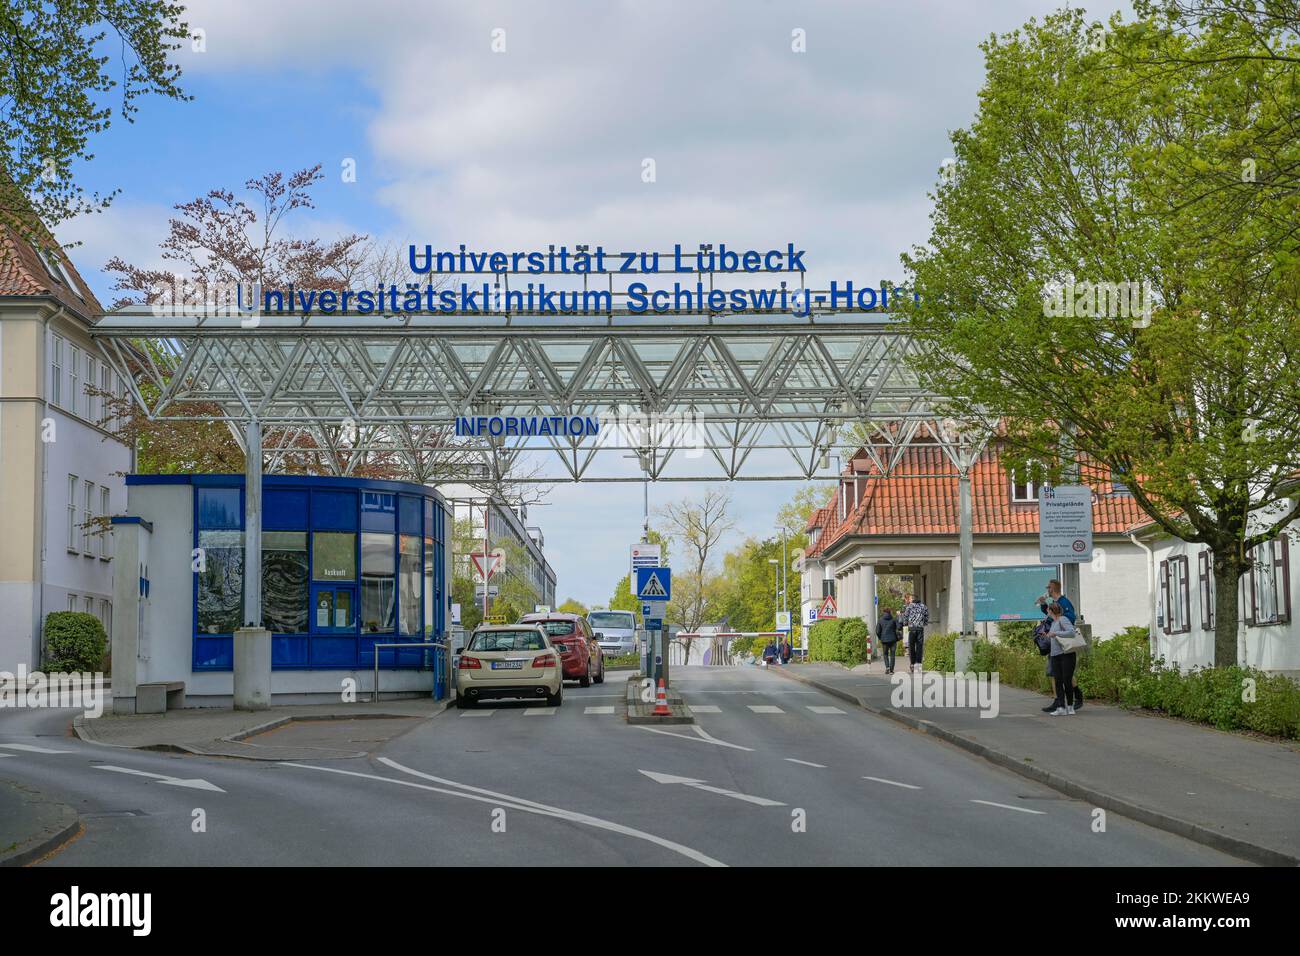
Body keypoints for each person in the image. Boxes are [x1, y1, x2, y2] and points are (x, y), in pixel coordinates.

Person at [1035, 579, 1082, 710]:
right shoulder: (1055, 603)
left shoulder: (1064, 602)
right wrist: (1044, 605)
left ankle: (1065, 700)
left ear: (1053, 588)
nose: (1047, 590)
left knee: (1060, 673)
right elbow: (1051, 615)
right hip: (1055, 642)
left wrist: (1056, 629)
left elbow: (1070, 619)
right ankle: (1067, 699)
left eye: (1048, 587)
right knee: (1059, 673)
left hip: (1062, 642)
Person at [1044, 603, 1079, 715]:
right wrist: (1047, 636)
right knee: (1058, 681)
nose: (1047, 613)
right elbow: (1055, 638)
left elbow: (1071, 632)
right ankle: (1061, 708)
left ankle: (1070, 706)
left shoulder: (1062, 619)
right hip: (1055, 655)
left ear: (1051, 611)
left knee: (1067, 681)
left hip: (1066, 654)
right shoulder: (1054, 623)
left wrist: (1055, 633)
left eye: (1048, 611)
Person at [901, 592, 930, 673]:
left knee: (911, 646)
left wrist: (905, 623)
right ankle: (919, 664)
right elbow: (926, 616)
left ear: (912, 599)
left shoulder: (909, 607)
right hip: (920, 629)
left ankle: (912, 664)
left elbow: (905, 617)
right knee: (919, 647)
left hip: (912, 629)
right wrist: (923, 623)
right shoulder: (923, 606)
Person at [876, 607, 900, 675]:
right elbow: (899, 627)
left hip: (884, 641)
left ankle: (887, 668)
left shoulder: (880, 620)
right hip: (893, 640)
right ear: (890, 612)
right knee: (892, 655)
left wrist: (880, 637)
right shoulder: (894, 619)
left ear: (884, 612)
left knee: (885, 654)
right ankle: (891, 670)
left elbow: (877, 631)